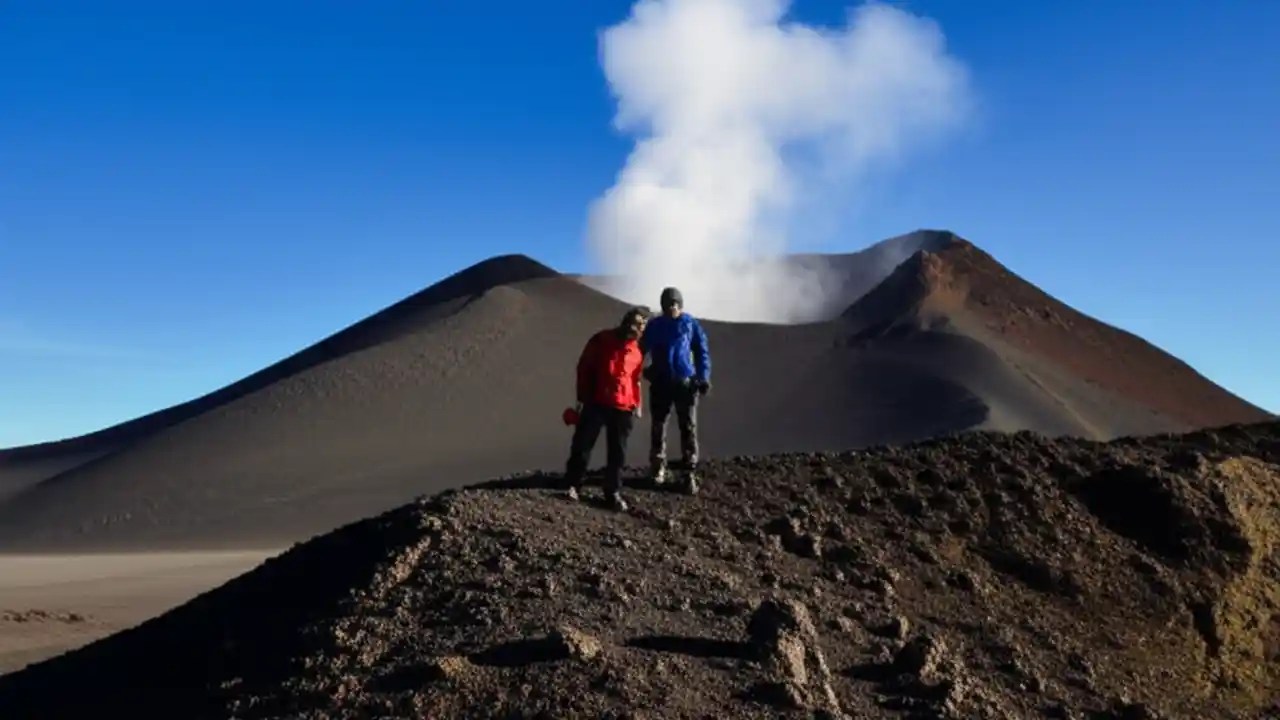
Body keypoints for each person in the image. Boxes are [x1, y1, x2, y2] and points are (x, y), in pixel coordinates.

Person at [562, 306, 649, 511]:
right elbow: (585, 367)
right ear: (625, 321)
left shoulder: (637, 350)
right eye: (633, 322)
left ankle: (612, 492)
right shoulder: (602, 340)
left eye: (640, 325)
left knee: (618, 452)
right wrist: (582, 397)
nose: (635, 328)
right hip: (597, 401)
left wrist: (638, 403)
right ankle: (573, 484)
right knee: (582, 445)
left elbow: (635, 379)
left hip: (624, 405)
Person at [640, 286, 711, 494]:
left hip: (685, 383)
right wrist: (640, 370)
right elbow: (640, 349)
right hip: (661, 381)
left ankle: (689, 471)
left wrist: (703, 377)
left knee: (688, 427)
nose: (672, 307)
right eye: (668, 303)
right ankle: (657, 467)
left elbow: (701, 351)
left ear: (680, 304)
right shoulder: (655, 325)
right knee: (658, 426)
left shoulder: (690, 324)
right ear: (662, 306)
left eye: (675, 303)